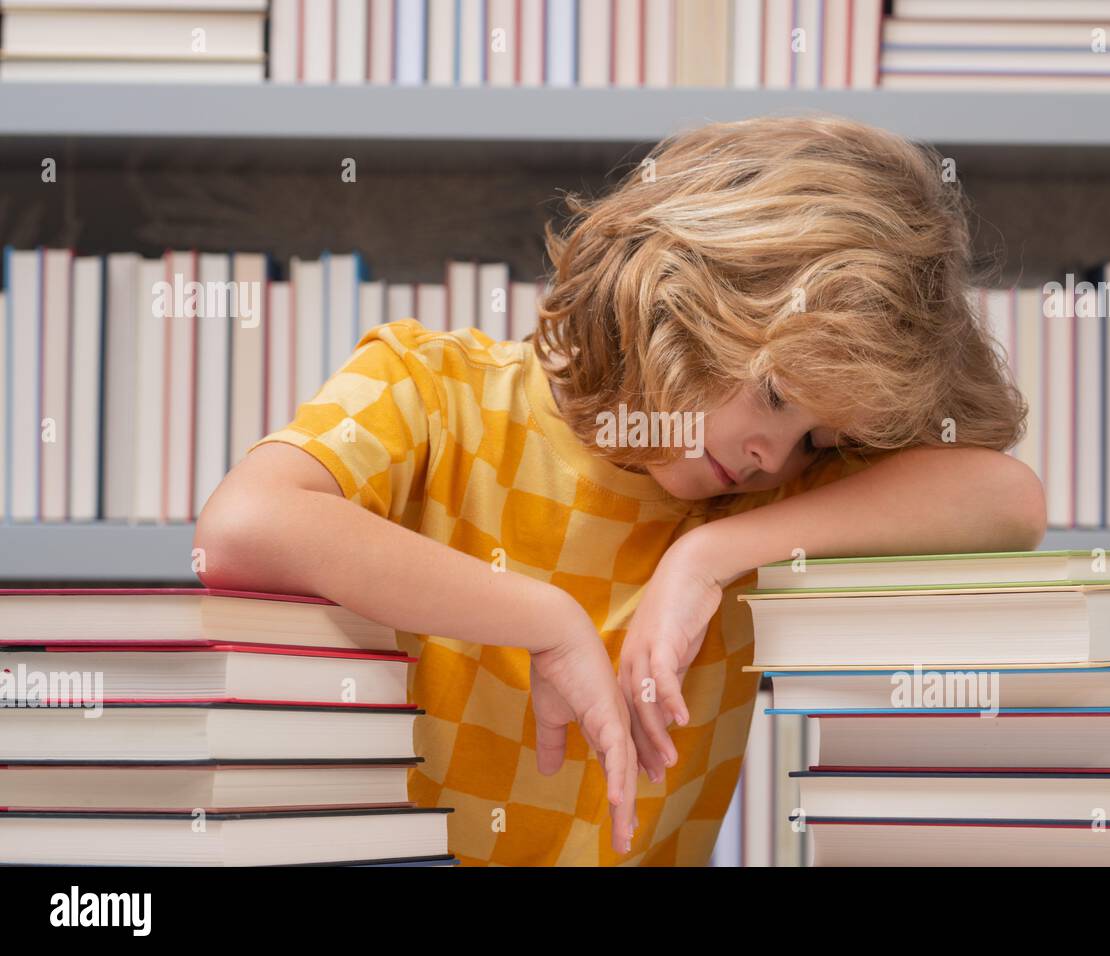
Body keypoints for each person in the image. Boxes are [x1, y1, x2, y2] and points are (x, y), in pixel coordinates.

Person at [194, 115, 1045, 866]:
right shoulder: (434, 388)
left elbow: (1007, 500)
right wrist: (544, 622)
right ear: (682, 294)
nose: (770, 456)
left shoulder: (768, 503)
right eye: (776, 396)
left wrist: (708, 556)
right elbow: (243, 527)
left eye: (817, 439)